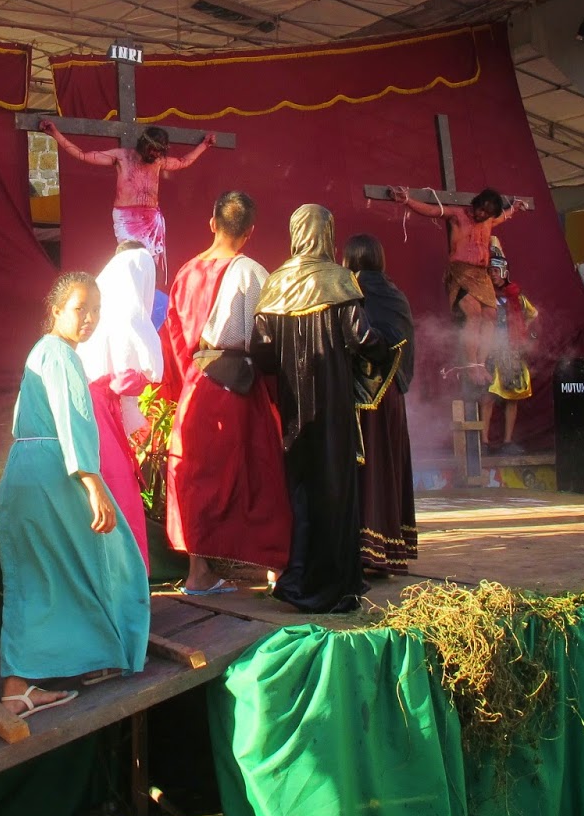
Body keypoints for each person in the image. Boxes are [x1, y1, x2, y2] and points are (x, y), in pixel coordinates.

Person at [0, 272, 150, 715]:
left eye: (96, 310)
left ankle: (19, 685)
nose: (89, 318)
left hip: (25, 468)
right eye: (80, 308)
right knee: (109, 557)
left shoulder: (40, 351)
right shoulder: (61, 354)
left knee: (41, 577)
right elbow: (72, 420)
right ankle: (102, 653)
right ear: (57, 310)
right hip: (54, 472)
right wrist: (93, 484)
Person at [251, 206, 382, 613]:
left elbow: (262, 353)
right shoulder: (340, 280)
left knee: (300, 489)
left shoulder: (274, 284)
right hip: (334, 405)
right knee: (336, 489)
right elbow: (361, 338)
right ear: (327, 234)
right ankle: (337, 586)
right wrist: (385, 354)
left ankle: (297, 580)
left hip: (293, 406)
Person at [158, 191, 291, 593]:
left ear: (212, 223)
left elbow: (175, 336)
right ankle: (274, 569)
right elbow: (268, 339)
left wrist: (188, 385)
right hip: (239, 385)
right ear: (250, 231)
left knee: (197, 476)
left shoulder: (185, 272)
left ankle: (199, 574)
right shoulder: (253, 272)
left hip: (198, 382)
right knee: (258, 472)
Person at [76, 248, 163, 569]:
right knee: (119, 498)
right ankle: (127, 588)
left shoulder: (98, 315)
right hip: (101, 415)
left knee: (110, 497)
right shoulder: (124, 316)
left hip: (98, 412)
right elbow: (130, 379)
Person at [42, 121, 215, 280]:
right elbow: (83, 155)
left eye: (159, 151)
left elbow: (183, 162)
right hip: (127, 219)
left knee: (152, 266)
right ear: (144, 144)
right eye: (152, 149)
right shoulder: (122, 157)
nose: (155, 154)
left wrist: (204, 145)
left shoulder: (158, 161)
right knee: (131, 260)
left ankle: (151, 298)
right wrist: (55, 134)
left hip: (151, 219)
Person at [341, 233, 418, 577]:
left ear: (350, 260)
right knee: (387, 466)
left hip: (366, 398)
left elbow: (359, 341)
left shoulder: (355, 292)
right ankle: (389, 548)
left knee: (369, 470)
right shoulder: (395, 293)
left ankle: (367, 550)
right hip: (392, 397)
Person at [390, 185, 530, 375]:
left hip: (482, 274)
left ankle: (481, 364)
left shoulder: (489, 220)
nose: (482, 215)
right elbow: (432, 210)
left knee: (490, 316)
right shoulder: (458, 215)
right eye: (481, 209)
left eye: (487, 213)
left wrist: (514, 208)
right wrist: (407, 200)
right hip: (461, 271)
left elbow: (503, 216)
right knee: (473, 315)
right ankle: (472, 365)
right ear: (476, 204)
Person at [481, 246, 539, 453]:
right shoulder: (484, 297)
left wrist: (521, 332)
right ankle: (484, 442)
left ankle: (507, 442)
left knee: (512, 397)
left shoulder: (516, 296)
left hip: (512, 350)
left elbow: (532, 314)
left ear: (504, 272)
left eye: (496, 271)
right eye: (490, 271)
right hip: (491, 350)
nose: (493, 275)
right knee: (487, 397)